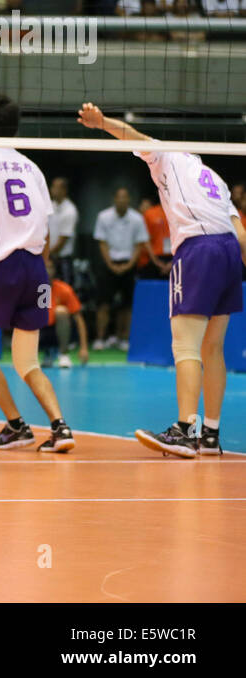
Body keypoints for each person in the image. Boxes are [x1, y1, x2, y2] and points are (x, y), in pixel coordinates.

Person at [79, 103, 246, 457]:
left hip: (199, 248)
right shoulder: (214, 180)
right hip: (230, 252)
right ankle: (211, 434)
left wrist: (101, 122)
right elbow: (242, 236)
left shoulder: (168, 157)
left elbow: (132, 137)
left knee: (185, 345)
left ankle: (186, 429)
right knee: (213, 349)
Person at [0, 95, 75, 453]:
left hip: (2, 268)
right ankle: (60, 427)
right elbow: (46, 227)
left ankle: (15, 425)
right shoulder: (33, 167)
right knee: (28, 360)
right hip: (37, 269)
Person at [92, 185, 149, 350]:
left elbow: (139, 244)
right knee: (103, 303)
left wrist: (128, 265)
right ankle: (100, 338)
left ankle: (122, 338)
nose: (122, 200)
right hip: (108, 264)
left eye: (125, 197)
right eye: (119, 197)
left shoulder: (137, 218)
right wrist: (110, 264)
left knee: (127, 304)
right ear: (114, 199)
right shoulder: (103, 217)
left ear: (129, 200)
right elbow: (101, 242)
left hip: (129, 264)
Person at [42, 256, 88, 368]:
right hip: (41, 333)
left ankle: (63, 354)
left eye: (50, 267)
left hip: (61, 332)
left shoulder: (64, 289)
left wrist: (84, 348)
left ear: (54, 270)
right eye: (44, 267)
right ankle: (38, 353)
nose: (47, 271)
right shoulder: (39, 289)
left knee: (61, 311)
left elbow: (79, 319)